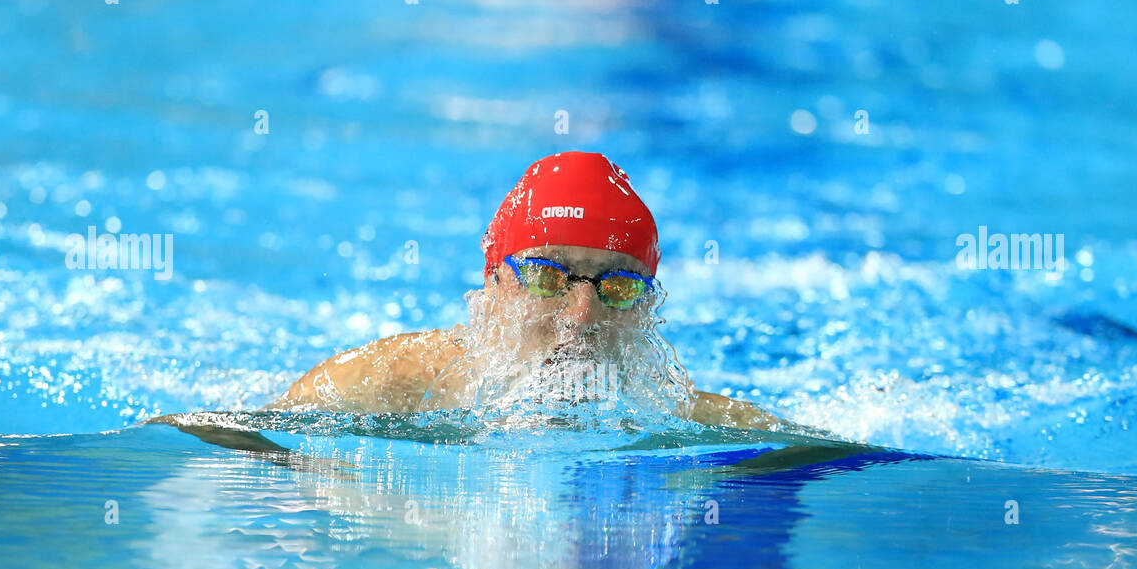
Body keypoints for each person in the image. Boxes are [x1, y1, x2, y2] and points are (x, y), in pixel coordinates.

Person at [268, 151, 781, 430]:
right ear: (491, 287)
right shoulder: (370, 388)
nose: (582, 315)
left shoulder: (688, 419)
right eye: (544, 276)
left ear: (648, 305)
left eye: (619, 286)